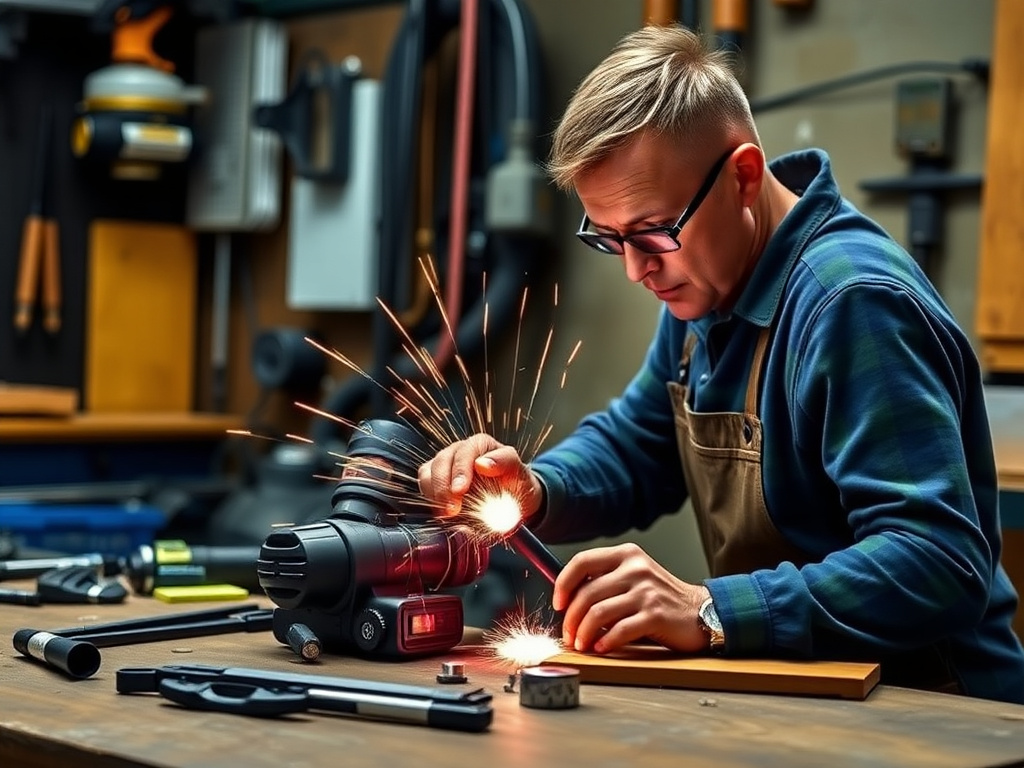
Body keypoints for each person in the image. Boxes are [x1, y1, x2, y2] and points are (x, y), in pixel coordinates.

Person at [417, 23, 1024, 704]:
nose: (636, 269)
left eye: (652, 232)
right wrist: (535, 487)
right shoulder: (703, 286)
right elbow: (638, 447)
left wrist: (711, 609)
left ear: (742, 177)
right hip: (816, 698)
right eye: (609, 239)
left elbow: (940, 562)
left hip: (942, 713)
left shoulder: (853, 304)